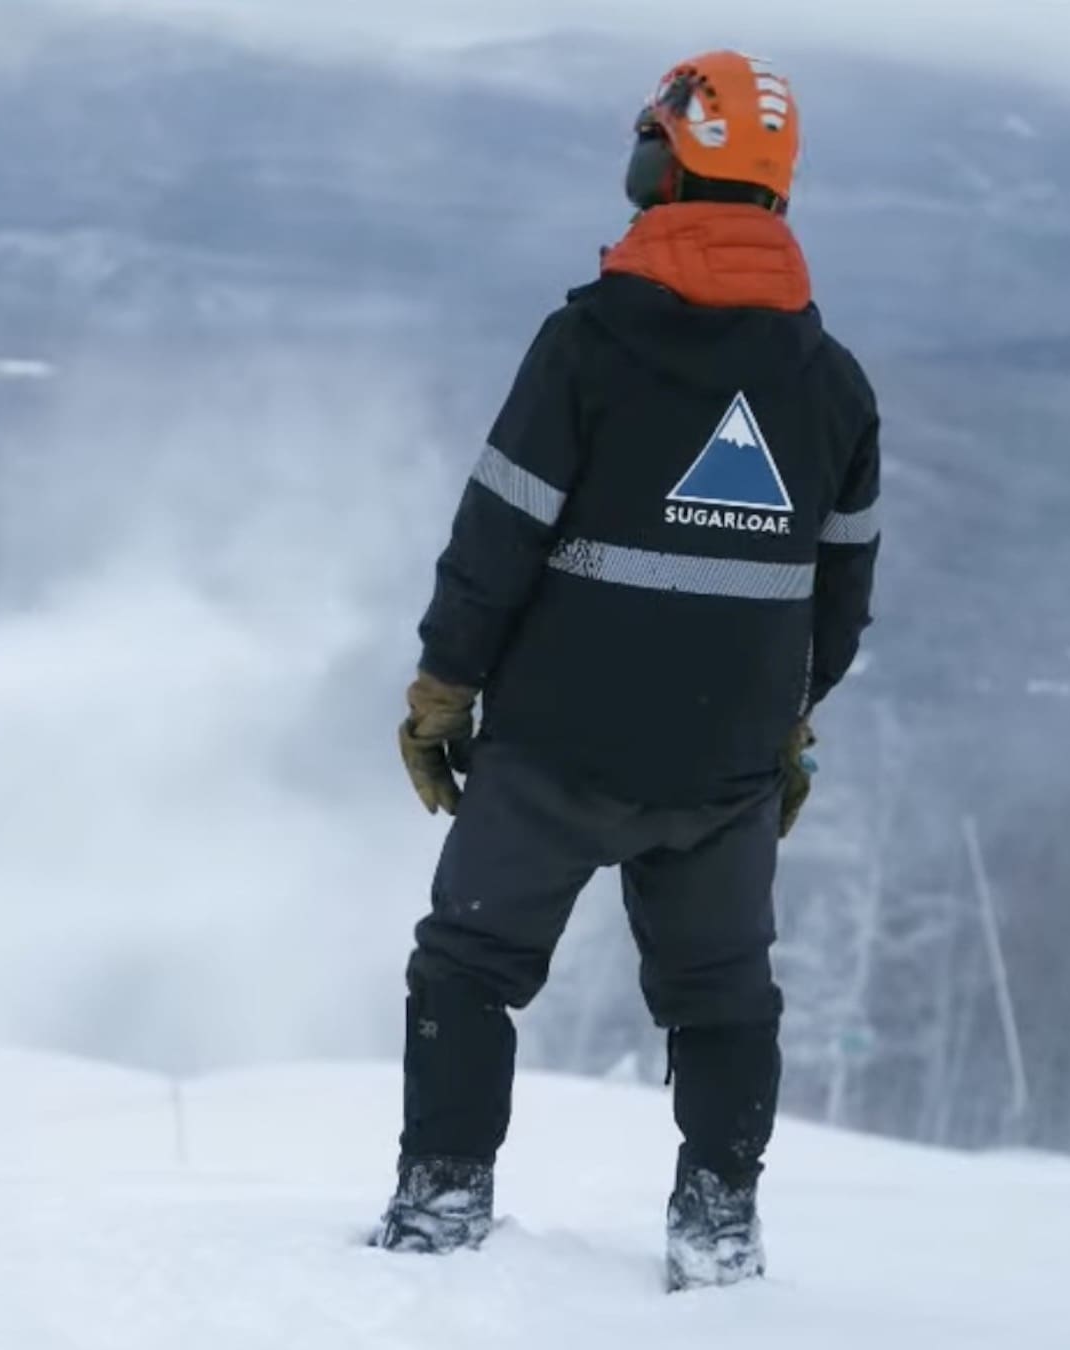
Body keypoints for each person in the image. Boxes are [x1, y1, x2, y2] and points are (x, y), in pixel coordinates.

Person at [370, 50, 882, 1293]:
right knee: (722, 1001)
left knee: (466, 969)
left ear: (673, 159)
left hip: (555, 751)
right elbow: (841, 603)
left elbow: (496, 543)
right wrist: (786, 731)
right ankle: (717, 1236)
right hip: (722, 776)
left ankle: (440, 1215)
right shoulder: (832, 387)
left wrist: (445, 692)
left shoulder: (587, 348)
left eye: (646, 131)